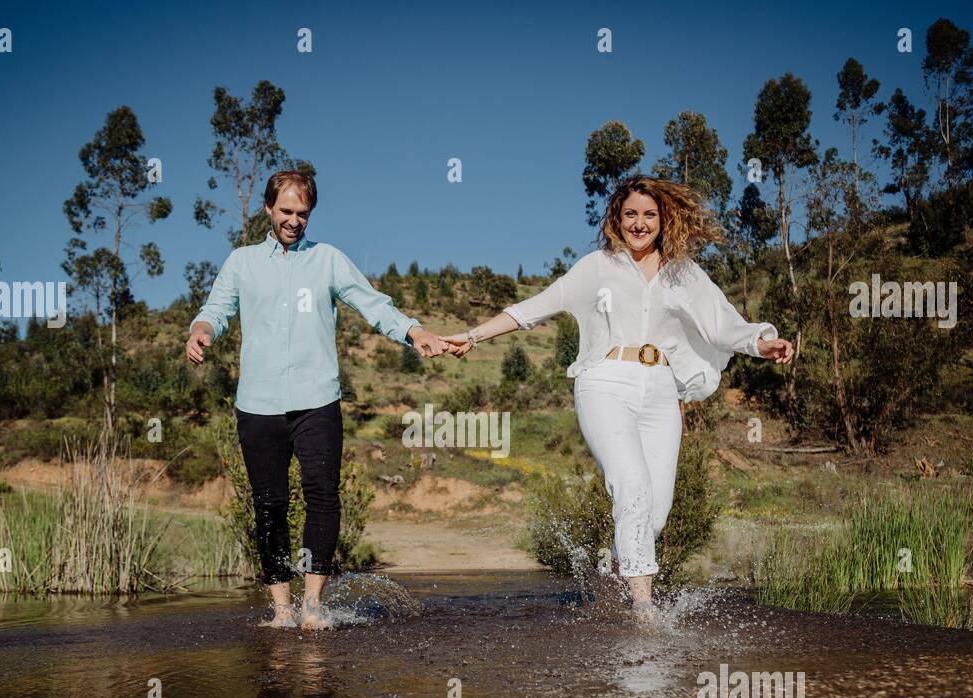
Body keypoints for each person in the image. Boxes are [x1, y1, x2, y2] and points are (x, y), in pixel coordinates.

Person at [441, 176, 793, 622]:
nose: (640, 223)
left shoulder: (684, 273)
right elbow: (535, 307)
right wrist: (472, 336)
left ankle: (611, 575)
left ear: (663, 219)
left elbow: (724, 324)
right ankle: (643, 604)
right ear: (616, 219)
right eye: (631, 214)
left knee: (657, 512)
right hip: (605, 381)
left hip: (662, 391)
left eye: (649, 214)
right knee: (631, 483)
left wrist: (762, 343)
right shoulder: (596, 267)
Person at [185, 170, 449, 630]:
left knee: (322, 497)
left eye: (302, 213)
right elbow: (216, 310)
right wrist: (200, 331)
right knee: (270, 505)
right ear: (268, 209)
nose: (293, 221)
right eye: (285, 211)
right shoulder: (242, 263)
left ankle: (312, 606)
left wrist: (414, 330)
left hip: (316, 401)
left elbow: (373, 304)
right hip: (258, 405)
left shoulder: (327, 260)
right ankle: (281, 608)